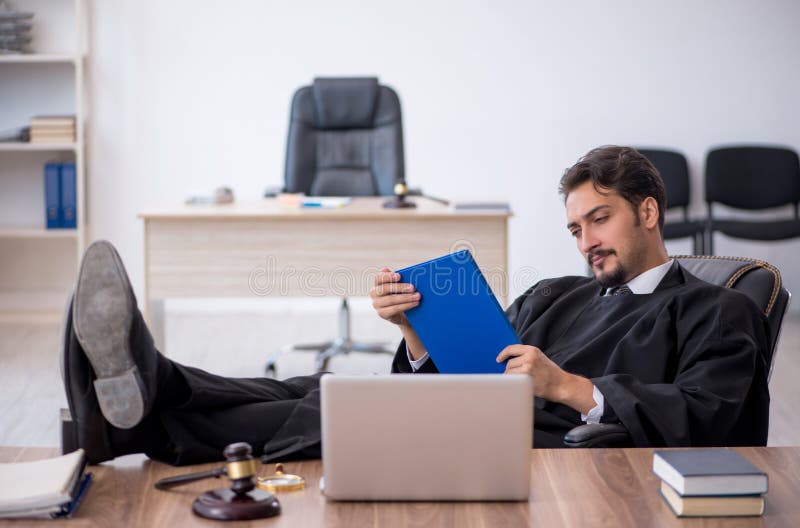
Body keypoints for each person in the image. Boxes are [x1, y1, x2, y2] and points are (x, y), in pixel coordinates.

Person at [62, 146, 770, 466]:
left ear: (649, 210)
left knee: (317, 412)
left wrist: (568, 387)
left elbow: (710, 419)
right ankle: (137, 402)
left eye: (600, 219)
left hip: (536, 447)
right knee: (311, 389)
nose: (586, 241)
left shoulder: (717, 310)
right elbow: (471, 369)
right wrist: (417, 334)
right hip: (470, 412)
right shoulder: (558, 294)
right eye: (576, 228)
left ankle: (132, 406)